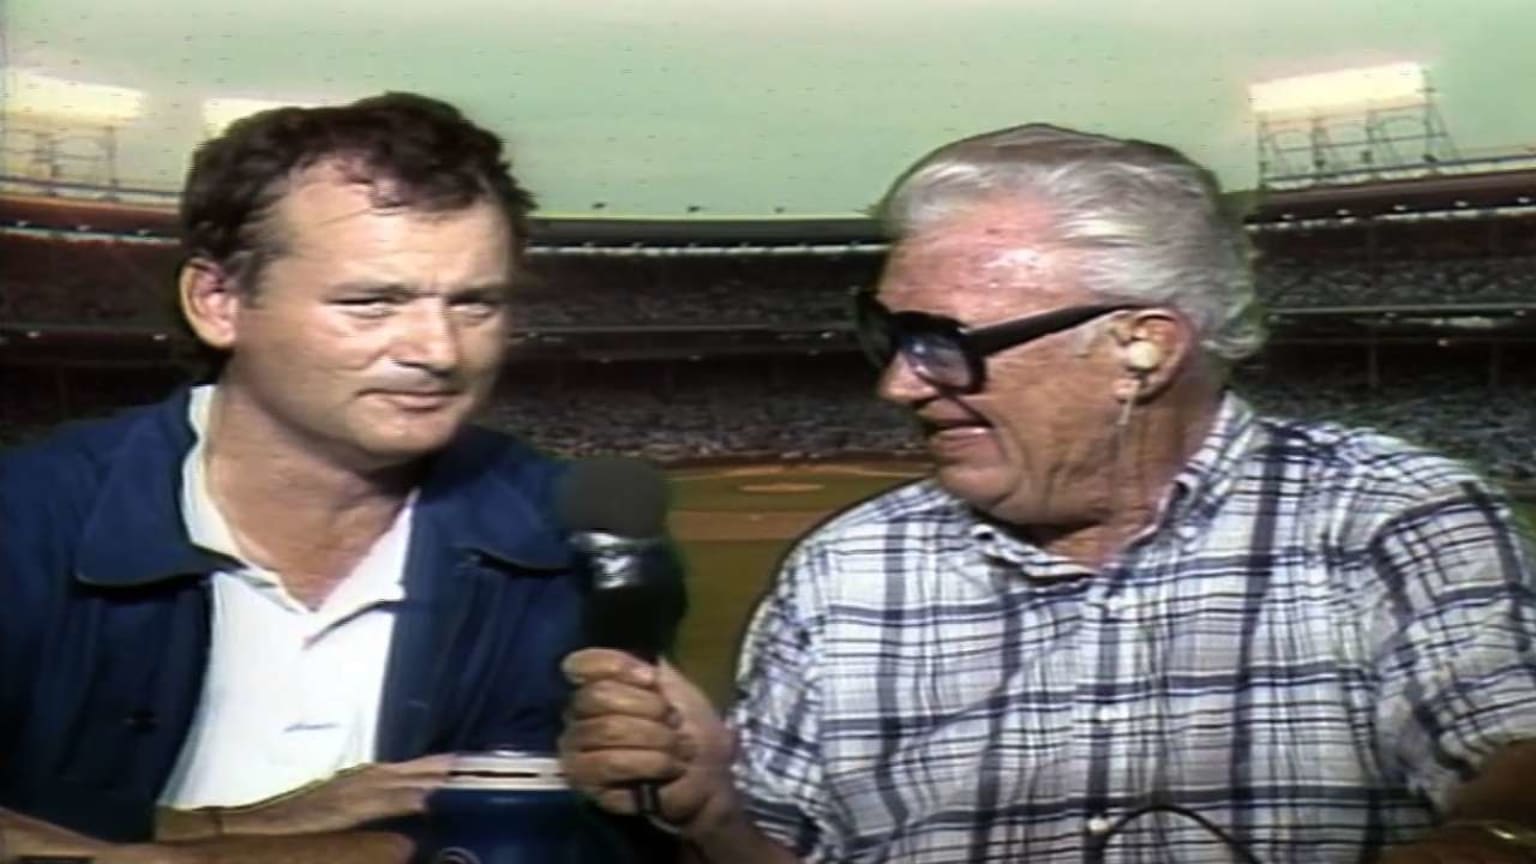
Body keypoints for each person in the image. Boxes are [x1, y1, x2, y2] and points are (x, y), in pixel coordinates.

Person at [560, 124, 1536, 862]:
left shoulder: (1390, 516)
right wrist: (718, 816)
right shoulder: (845, 571)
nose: (898, 386)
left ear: (1141, 348)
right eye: (889, 338)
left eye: (944, 343)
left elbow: (1515, 773)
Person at [0, 93, 656, 863]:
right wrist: (226, 829)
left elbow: (561, 842)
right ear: (218, 302)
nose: (439, 351)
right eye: (372, 303)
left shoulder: (573, 537)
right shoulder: (26, 520)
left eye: (475, 304)